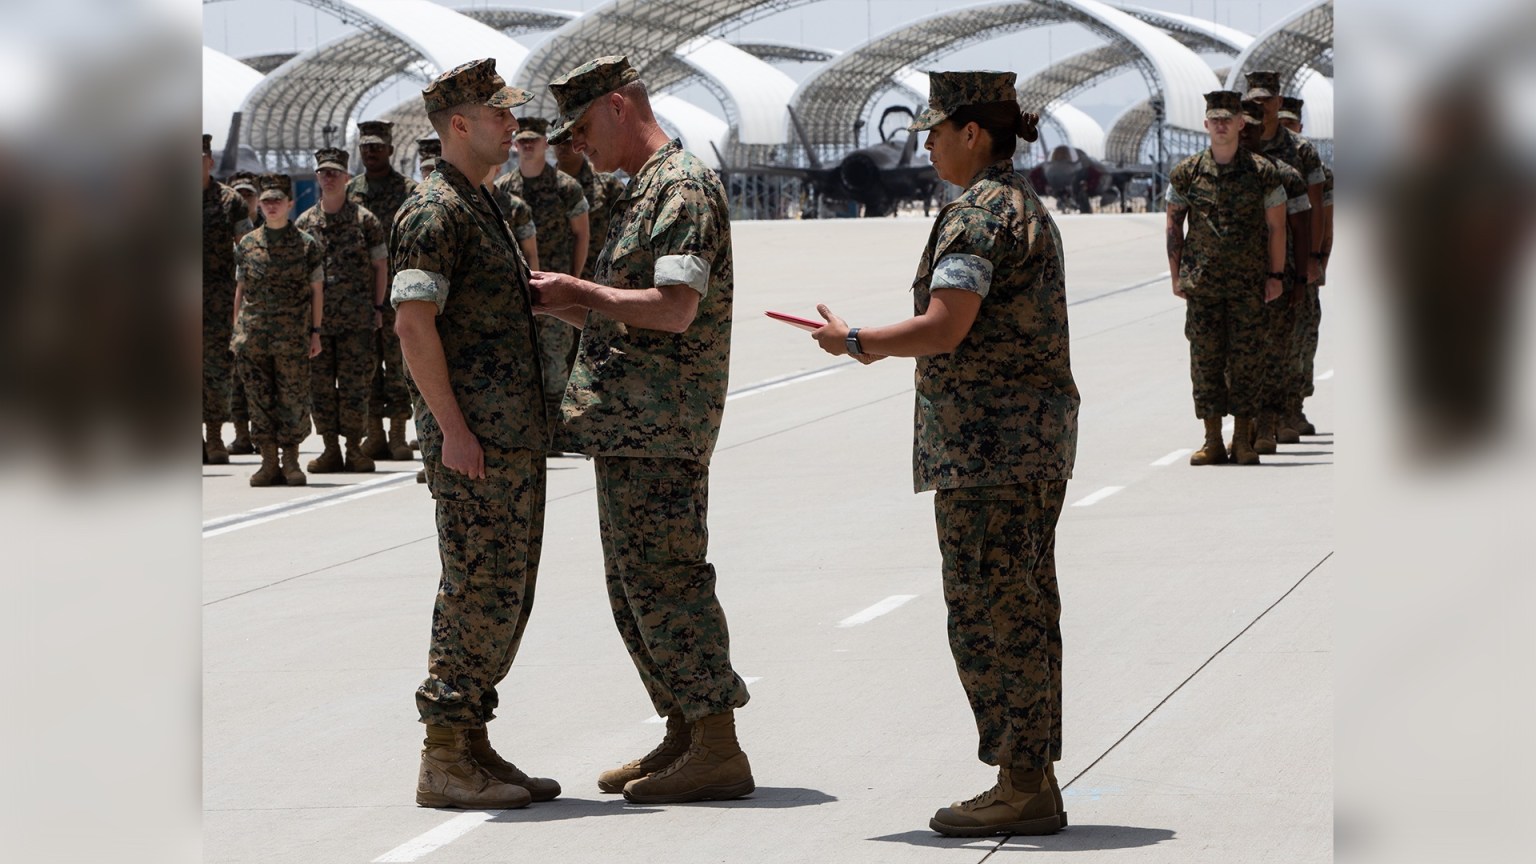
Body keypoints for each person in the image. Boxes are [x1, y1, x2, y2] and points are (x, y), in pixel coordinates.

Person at [810, 70, 1079, 838]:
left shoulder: (978, 215)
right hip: (1021, 445)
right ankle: (1028, 774)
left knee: (995, 612)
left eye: (935, 128)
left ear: (973, 132)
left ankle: (1022, 780)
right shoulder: (1021, 208)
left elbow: (944, 325)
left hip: (991, 450)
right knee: (1020, 605)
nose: (926, 142)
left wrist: (856, 342)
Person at [532, 55, 753, 805]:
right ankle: (685, 730)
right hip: (631, 424)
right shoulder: (638, 192)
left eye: (585, 127)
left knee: (667, 580)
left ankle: (717, 741)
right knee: (634, 586)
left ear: (620, 108)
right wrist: (553, 301)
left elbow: (673, 307)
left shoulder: (681, 187)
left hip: (664, 422)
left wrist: (575, 289)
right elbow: (619, 304)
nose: (578, 145)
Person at [390, 58, 556, 810]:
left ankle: (475, 742)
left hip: (510, 436)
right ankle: (444, 756)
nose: (510, 123)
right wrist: (452, 430)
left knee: (506, 593)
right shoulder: (434, 211)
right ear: (460, 124)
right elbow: (412, 324)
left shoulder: (482, 202)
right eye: (497, 113)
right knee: (474, 591)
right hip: (475, 444)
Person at [1166, 91, 1288, 466]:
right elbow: (1173, 223)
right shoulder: (1187, 172)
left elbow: (1277, 228)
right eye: (1214, 119)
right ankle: (1213, 439)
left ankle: (1243, 440)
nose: (1221, 125)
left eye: (1227, 119)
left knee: (1247, 362)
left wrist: (1276, 275)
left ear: (1240, 124)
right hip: (1202, 285)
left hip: (1248, 285)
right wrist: (1176, 276)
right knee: (1205, 363)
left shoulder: (1263, 172)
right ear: (1206, 124)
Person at [496, 116, 590, 446]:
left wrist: (573, 280)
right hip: (519, 293)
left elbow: (582, 234)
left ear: (544, 143)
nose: (526, 145)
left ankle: (555, 431)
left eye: (533, 139)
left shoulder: (565, 186)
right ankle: (529, 429)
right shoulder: (505, 188)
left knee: (556, 360)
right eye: (521, 140)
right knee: (522, 360)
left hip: (557, 290)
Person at [1244, 72, 1327, 438]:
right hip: (1246, 264)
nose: (1262, 106)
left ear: (1278, 101)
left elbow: (1316, 208)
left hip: (1293, 259)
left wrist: (1315, 258)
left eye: (1267, 99)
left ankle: (1289, 410)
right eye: (1255, 100)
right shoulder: (1239, 145)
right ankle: (1256, 417)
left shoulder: (1300, 150)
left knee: (1293, 339)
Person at [295, 147, 387, 473]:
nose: (329, 177)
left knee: (355, 387)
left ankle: (354, 448)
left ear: (348, 178)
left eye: (335, 172)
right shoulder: (305, 223)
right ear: (317, 178)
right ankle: (330, 448)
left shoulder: (366, 221)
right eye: (323, 172)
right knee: (319, 389)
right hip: (318, 323)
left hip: (357, 320)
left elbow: (380, 267)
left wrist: (378, 307)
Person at [231, 173, 324, 487]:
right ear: (258, 203)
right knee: (259, 399)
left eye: (277, 201)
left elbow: (316, 291)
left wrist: (316, 332)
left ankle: (291, 461)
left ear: (290, 204)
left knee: (293, 398)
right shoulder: (247, 244)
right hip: (253, 336)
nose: (271, 206)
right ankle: (268, 462)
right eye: (266, 200)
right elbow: (240, 290)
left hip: (292, 337)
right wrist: (236, 330)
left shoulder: (306, 244)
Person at [1238, 100, 1313, 456]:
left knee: (1275, 356)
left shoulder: (1285, 175)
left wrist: (1300, 279)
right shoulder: (1220, 173)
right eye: (1244, 126)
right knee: (1235, 360)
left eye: (1254, 127)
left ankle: (1269, 424)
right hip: (1234, 285)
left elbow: (1301, 228)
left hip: (1277, 280)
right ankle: (1244, 429)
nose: (1248, 133)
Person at [348, 119, 418, 464]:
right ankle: (374, 433)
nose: (371, 152)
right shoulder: (351, 191)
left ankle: (399, 434)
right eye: (365, 147)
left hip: (400, 291)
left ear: (390, 150)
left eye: (377, 147)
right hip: (359, 295)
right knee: (367, 367)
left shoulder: (408, 190)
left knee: (400, 364)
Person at [1279, 96, 1329, 436]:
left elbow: (1325, 219)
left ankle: (1294, 408)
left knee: (1302, 341)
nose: (1285, 127)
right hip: (1270, 266)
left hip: (1301, 265)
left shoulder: (1315, 167)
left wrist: (1318, 261)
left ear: (1300, 125)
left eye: (1290, 122)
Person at [202, 134, 252, 465]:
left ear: (210, 162)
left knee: (218, 370)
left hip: (218, 300)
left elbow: (247, 248)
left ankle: (216, 435)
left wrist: (246, 297)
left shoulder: (230, 200)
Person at [553, 136, 626, 283]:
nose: (562, 147)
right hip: (552, 278)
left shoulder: (608, 185)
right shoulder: (540, 186)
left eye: (567, 142)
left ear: (579, 144)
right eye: (557, 143)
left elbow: (625, 231)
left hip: (595, 280)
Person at [226, 171, 261, 455]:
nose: (244, 199)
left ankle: (262, 433)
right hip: (225, 312)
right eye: (239, 193)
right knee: (235, 379)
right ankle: (240, 434)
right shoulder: (226, 229)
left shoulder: (271, 226)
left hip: (260, 316)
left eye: (248, 194)